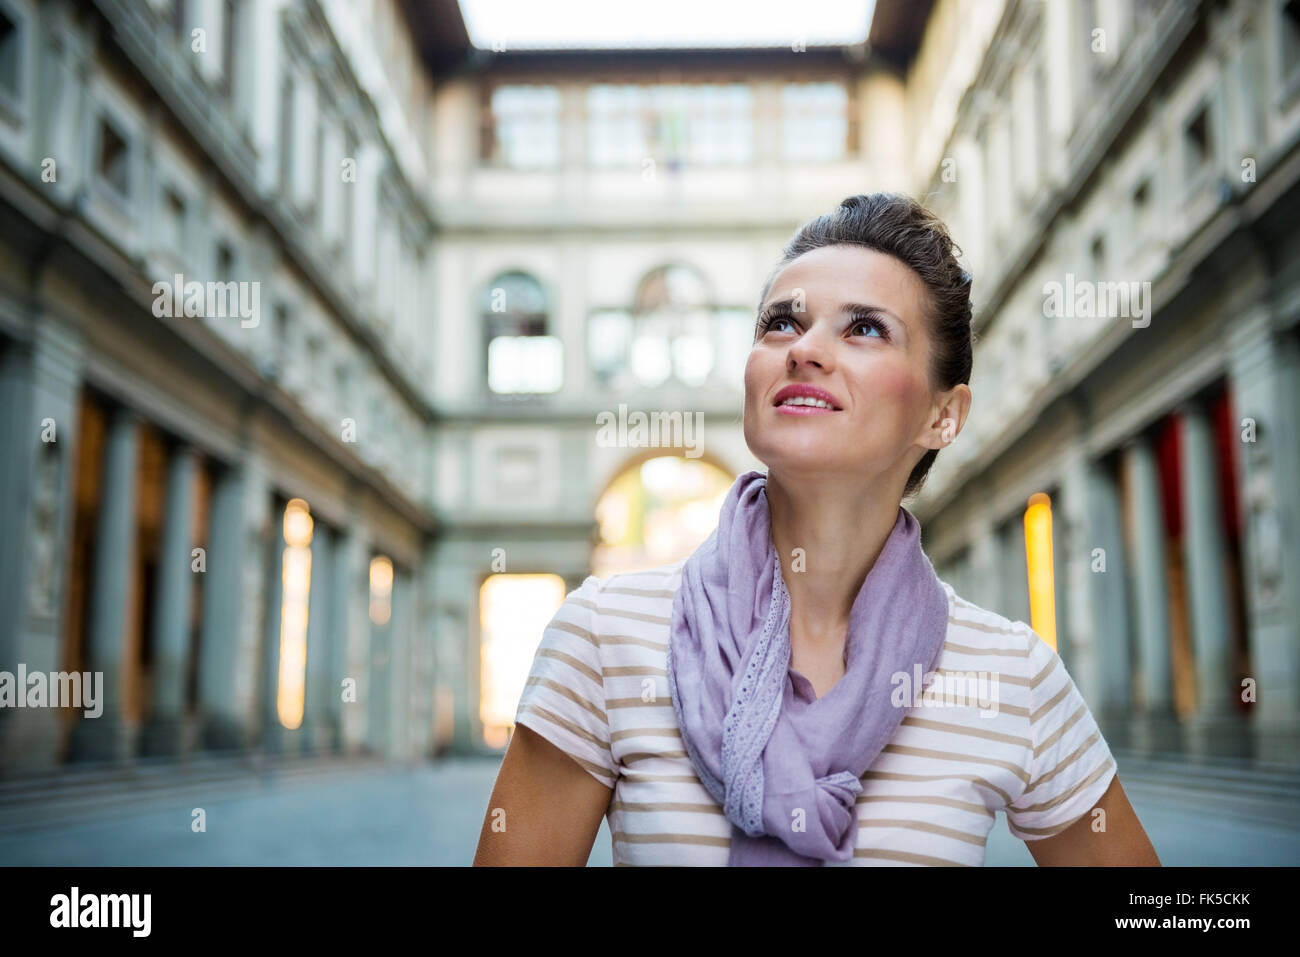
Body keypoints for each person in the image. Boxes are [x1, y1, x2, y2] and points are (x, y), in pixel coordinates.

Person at [474, 192, 1160, 867]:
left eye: (865, 328)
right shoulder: (606, 634)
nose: (805, 349)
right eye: (781, 322)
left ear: (943, 416)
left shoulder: (1012, 674)